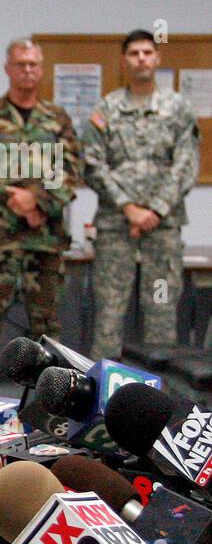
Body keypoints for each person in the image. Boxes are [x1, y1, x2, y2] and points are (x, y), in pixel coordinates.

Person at [0, 38, 81, 402]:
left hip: (43, 236)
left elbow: (73, 169)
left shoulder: (57, 118)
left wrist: (38, 202)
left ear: (41, 70)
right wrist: (13, 197)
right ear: (8, 69)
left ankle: (44, 399)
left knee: (45, 324)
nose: (27, 70)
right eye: (20, 64)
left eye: (33, 64)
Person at [81, 29, 200, 361]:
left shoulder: (177, 109)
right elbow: (92, 164)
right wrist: (129, 208)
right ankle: (103, 400)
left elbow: (186, 164)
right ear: (123, 61)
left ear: (157, 58)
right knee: (109, 311)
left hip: (162, 230)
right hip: (116, 228)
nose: (142, 59)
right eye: (134, 53)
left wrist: (155, 212)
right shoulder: (106, 110)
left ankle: (161, 400)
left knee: (160, 308)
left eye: (148, 52)